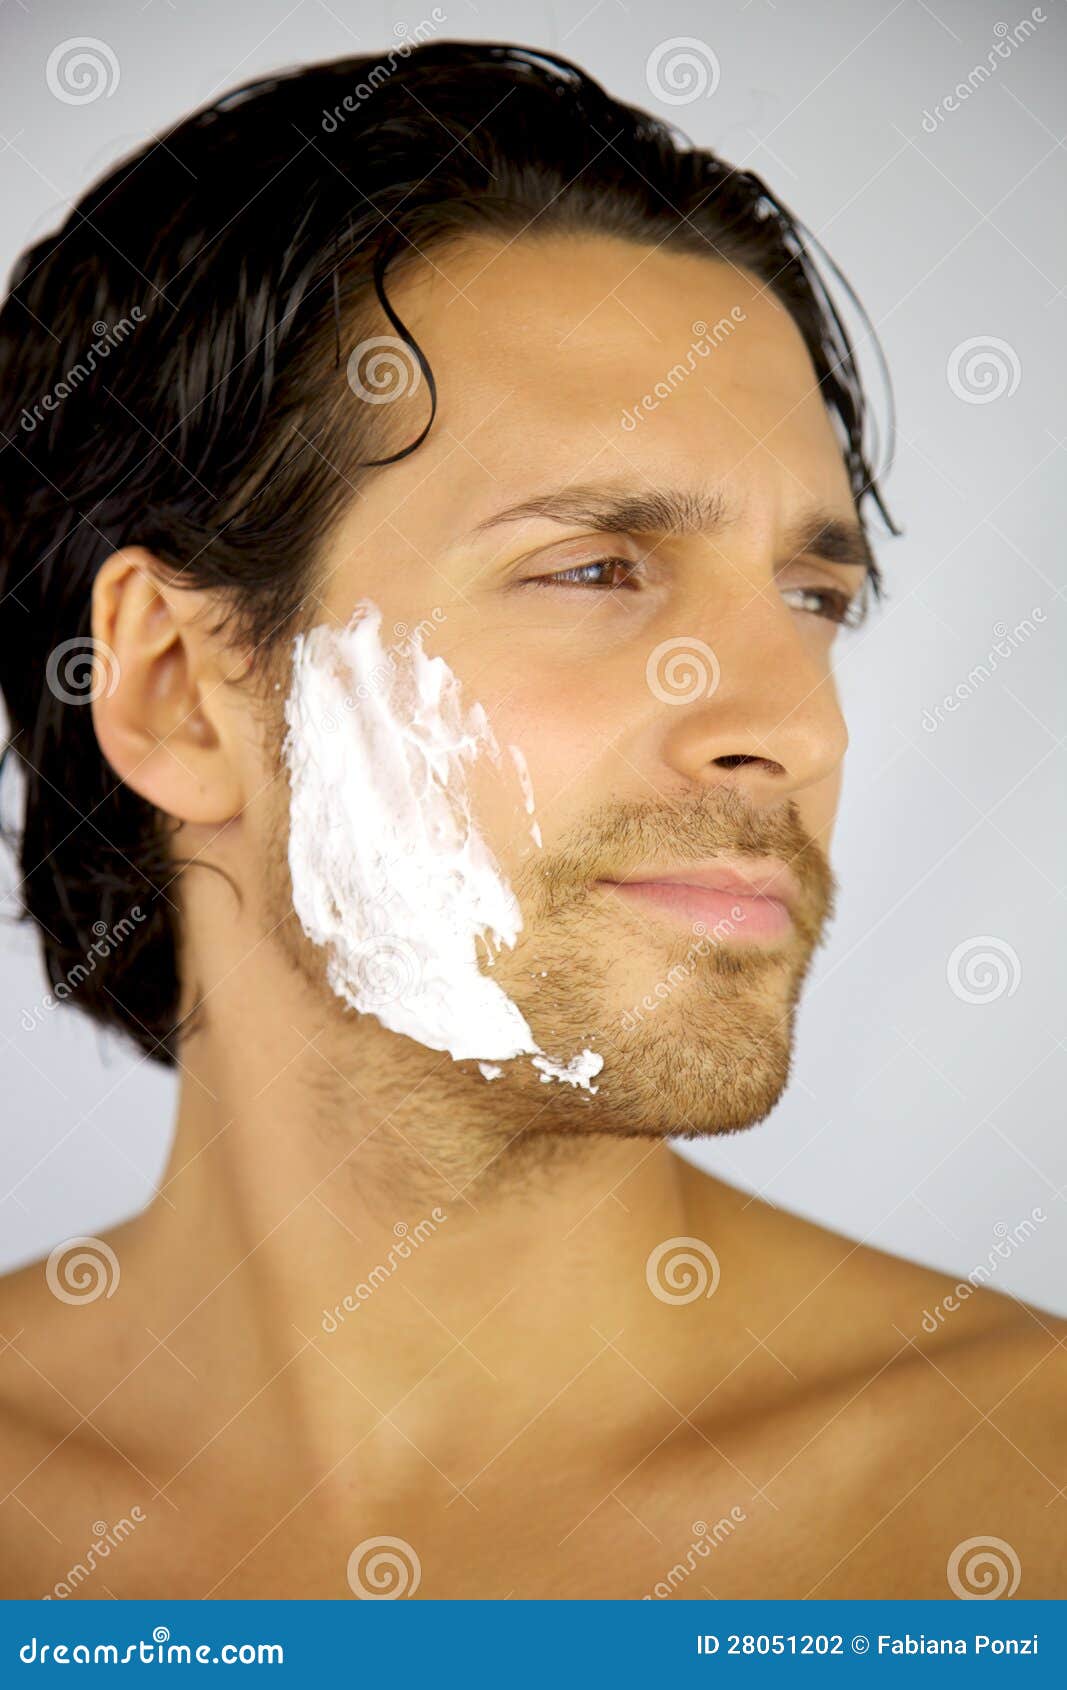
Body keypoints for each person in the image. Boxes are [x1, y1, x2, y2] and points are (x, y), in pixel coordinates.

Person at [0, 42, 1061, 1601]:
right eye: (595, 568)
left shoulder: (1016, 1508)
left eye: (814, 594)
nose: (795, 723)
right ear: (172, 687)